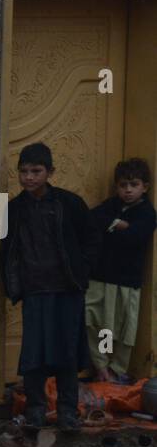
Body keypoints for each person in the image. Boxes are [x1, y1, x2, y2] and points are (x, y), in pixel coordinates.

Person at [0, 142, 97, 430]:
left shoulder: (69, 204)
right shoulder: (15, 209)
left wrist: (83, 271)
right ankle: (35, 411)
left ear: (50, 172)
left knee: (67, 351)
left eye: (36, 171)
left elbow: (91, 239)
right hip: (35, 291)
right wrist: (13, 285)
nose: (29, 177)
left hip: (67, 289)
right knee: (34, 354)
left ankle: (68, 412)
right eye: (24, 171)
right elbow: (8, 250)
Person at [86, 158, 155, 383]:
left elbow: (134, 238)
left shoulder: (146, 212)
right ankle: (101, 365)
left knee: (120, 329)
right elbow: (92, 219)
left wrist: (115, 231)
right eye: (123, 185)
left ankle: (116, 370)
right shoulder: (112, 205)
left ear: (144, 187)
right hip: (101, 278)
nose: (127, 190)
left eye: (133, 185)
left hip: (126, 282)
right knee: (94, 321)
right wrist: (118, 224)